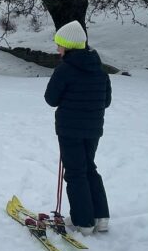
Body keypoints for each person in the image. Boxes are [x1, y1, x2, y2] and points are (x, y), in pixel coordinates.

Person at [43, 20, 112, 236]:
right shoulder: (99, 69)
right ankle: (101, 216)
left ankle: (83, 221)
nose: (58, 49)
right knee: (89, 168)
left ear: (68, 46)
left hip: (70, 130)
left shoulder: (65, 70)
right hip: (93, 129)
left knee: (75, 172)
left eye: (59, 45)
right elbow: (106, 101)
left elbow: (51, 99)